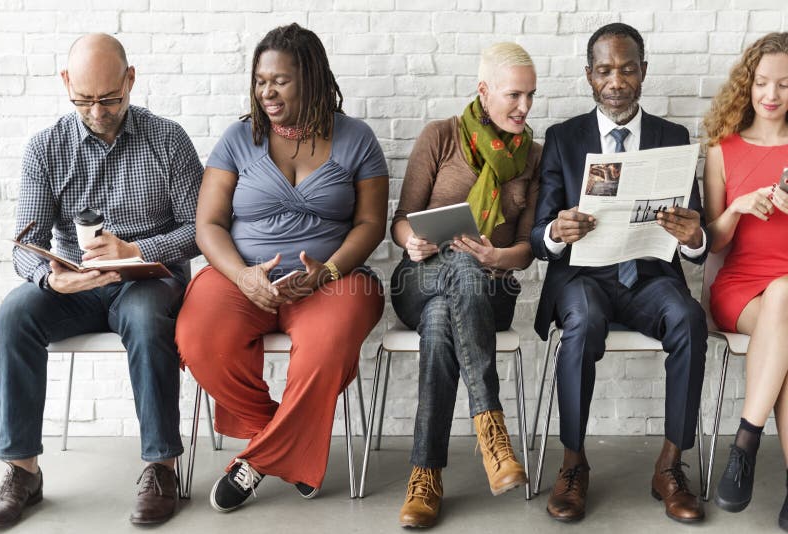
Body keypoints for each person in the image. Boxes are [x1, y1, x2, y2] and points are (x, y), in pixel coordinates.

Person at [0, 34, 203, 527]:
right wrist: (49, 278)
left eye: (109, 98)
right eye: (84, 99)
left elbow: (200, 230)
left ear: (131, 79)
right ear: (66, 83)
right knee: (14, 314)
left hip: (149, 280)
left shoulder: (168, 140)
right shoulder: (45, 148)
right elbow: (26, 242)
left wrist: (137, 251)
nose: (98, 110)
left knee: (148, 320)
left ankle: (161, 466)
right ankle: (22, 470)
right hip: (78, 284)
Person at [174, 23, 388, 513]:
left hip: (335, 281)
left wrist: (328, 271)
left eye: (280, 81)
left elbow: (372, 223)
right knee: (200, 338)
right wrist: (245, 277)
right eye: (260, 80)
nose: (266, 91)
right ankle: (293, 445)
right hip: (240, 276)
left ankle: (258, 460)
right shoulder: (237, 139)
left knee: (327, 348)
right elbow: (207, 224)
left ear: (311, 78)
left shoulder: (357, 139)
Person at [530, 23, 709, 523]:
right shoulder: (563, 139)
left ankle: (670, 465)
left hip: (649, 276)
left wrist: (693, 236)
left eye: (627, 68)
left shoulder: (671, 138)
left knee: (690, 320)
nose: (616, 80)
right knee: (582, 324)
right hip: (583, 278)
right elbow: (537, 237)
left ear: (643, 72)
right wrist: (556, 231)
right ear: (589, 76)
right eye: (605, 69)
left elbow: (695, 239)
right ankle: (573, 463)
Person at [390, 42, 540, 528]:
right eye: (514, 95)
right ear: (484, 90)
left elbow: (527, 248)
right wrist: (412, 240)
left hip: (491, 288)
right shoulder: (441, 137)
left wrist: (498, 256)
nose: (525, 107)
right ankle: (493, 433)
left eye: (531, 96)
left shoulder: (533, 157)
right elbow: (399, 222)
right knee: (456, 273)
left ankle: (425, 476)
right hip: (419, 275)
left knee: (443, 317)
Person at [702, 32, 788, 530]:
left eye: (782, 85)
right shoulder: (722, 149)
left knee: (786, 312)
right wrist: (735, 207)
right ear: (747, 85)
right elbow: (711, 243)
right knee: (781, 297)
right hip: (741, 287)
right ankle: (750, 447)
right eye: (761, 82)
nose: (770, 95)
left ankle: (744, 446)